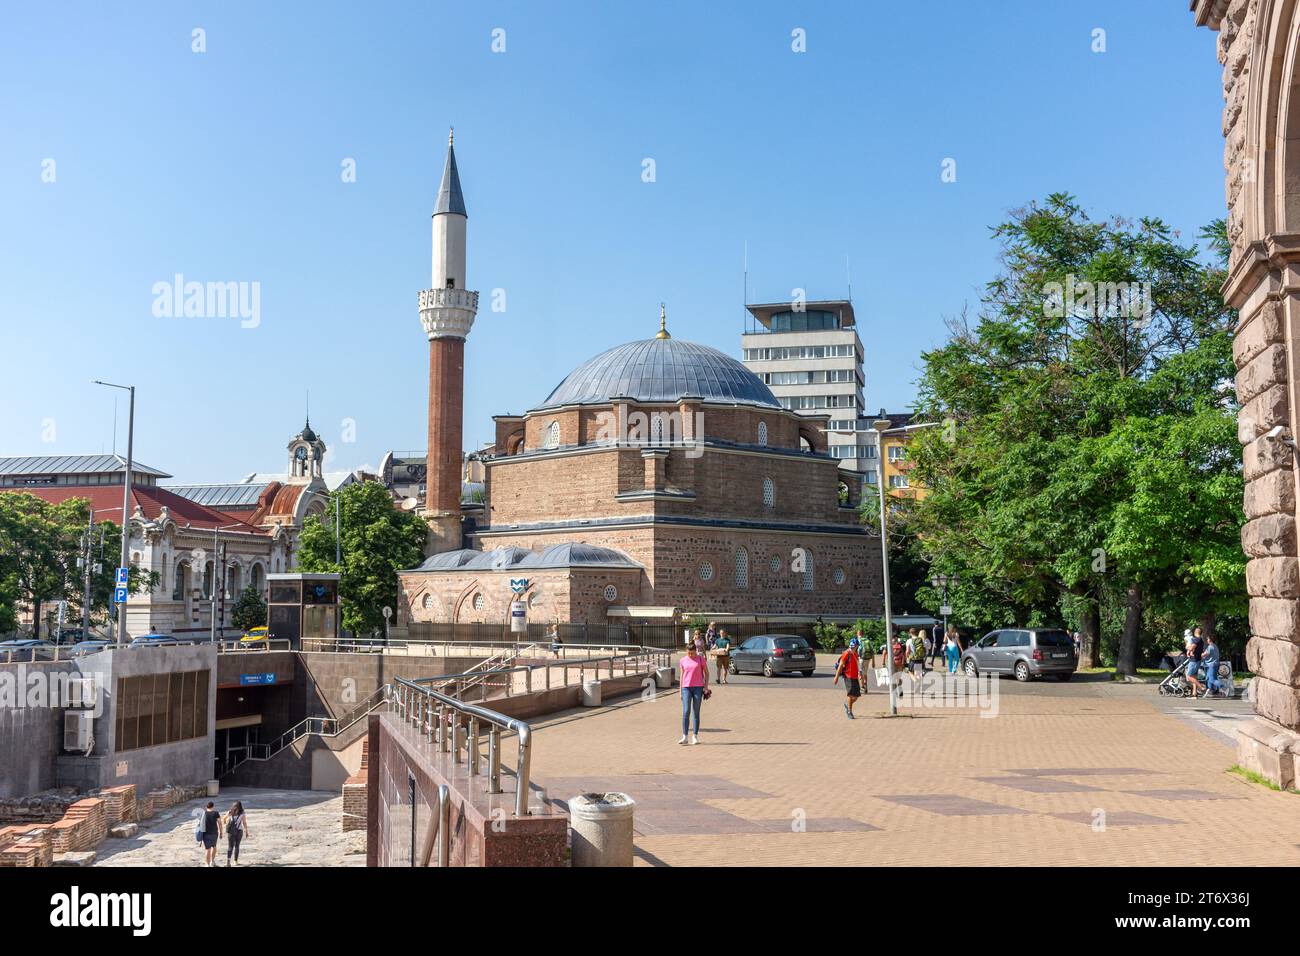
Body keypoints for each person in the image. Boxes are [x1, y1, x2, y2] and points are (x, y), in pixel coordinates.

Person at [678, 641, 709, 745]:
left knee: (696, 712)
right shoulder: (682, 660)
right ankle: (685, 736)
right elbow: (682, 676)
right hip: (686, 688)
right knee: (686, 711)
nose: (690, 655)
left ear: (695, 651)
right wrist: (680, 691)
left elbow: (707, 673)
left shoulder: (700, 659)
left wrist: (705, 687)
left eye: (692, 653)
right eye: (688, 653)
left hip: (698, 688)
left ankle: (695, 736)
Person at [833, 636, 863, 718]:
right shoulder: (846, 653)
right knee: (850, 695)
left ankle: (847, 705)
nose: (857, 647)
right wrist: (836, 677)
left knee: (856, 696)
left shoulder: (855, 654)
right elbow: (840, 665)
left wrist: (860, 674)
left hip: (855, 676)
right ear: (856, 646)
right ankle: (849, 712)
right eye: (857, 646)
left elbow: (857, 666)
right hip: (848, 676)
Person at [225, 801, 249, 866]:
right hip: (239, 831)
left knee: (230, 846)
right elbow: (244, 822)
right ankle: (235, 861)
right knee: (237, 846)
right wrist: (246, 831)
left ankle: (228, 861)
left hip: (231, 832)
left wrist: (227, 822)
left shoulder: (230, 812)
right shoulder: (242, 813)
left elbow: (224, 819)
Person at [200, 800, 222, 867]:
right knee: (214, 847)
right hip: (214, 833)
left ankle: (207, 864)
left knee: (207, 849)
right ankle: (212, 861)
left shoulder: (204, 813)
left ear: (206, 806)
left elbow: (200, 824)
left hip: (206, 834)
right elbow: (220, 823)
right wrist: (221, 832)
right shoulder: (216, 813)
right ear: (213, 806)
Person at [1185, 626, 1205, 698]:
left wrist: (1186, 646)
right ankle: (1194, 694)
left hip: (1194, 660)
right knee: (1194, 677)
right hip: (1197, 660)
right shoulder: (1200, 640)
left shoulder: (1196, 639)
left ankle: (1201, 687)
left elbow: (1191, 647)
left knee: (1189, 676)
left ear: (1195, 632)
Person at [1201, 633, 1222, 698]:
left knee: (1212, 679)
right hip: (1216, 664)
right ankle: (1210, 690)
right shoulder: (1215, 646)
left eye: (1207, 639)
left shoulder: (1210, 647)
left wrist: (1197, 654)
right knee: (1209, 678)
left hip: (1211, 665)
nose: (1207, 640)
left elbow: (1204, 655)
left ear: (1210, 639)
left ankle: (1223, 688)